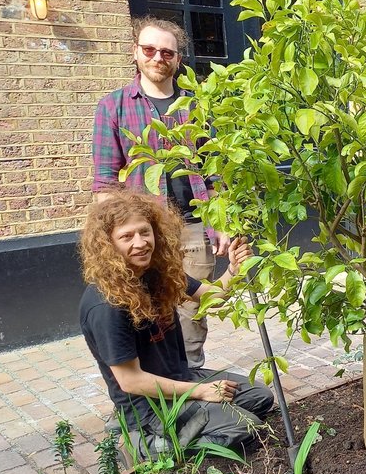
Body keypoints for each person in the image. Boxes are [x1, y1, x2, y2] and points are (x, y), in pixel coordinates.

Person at [79, 192, 274, 457]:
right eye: (127, 237)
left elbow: (212, 297)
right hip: (150, 405)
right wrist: (201, 391)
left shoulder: (156, 274)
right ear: (108, 244)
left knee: (260, 397)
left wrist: (234, 269)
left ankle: (199, 421)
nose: (140, 243)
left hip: (179, 379)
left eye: (144, 232)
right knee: (246, 428)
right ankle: (144, 444)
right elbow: (131, 381)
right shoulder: (106, 305)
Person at [92, 16, 229, 370]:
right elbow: (105, 182)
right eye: (149, 49)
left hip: (193, 227)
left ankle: (191, 376)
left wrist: (220, 223)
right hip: (144, 233)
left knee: (193, 313)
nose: (158, 57)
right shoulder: (113, 107)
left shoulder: (195, 107)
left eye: (167, 52)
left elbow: (212, 173)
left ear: (178, 59)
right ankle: (155, 386)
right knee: (147, 313)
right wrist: (112, 238)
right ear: (135, 52)